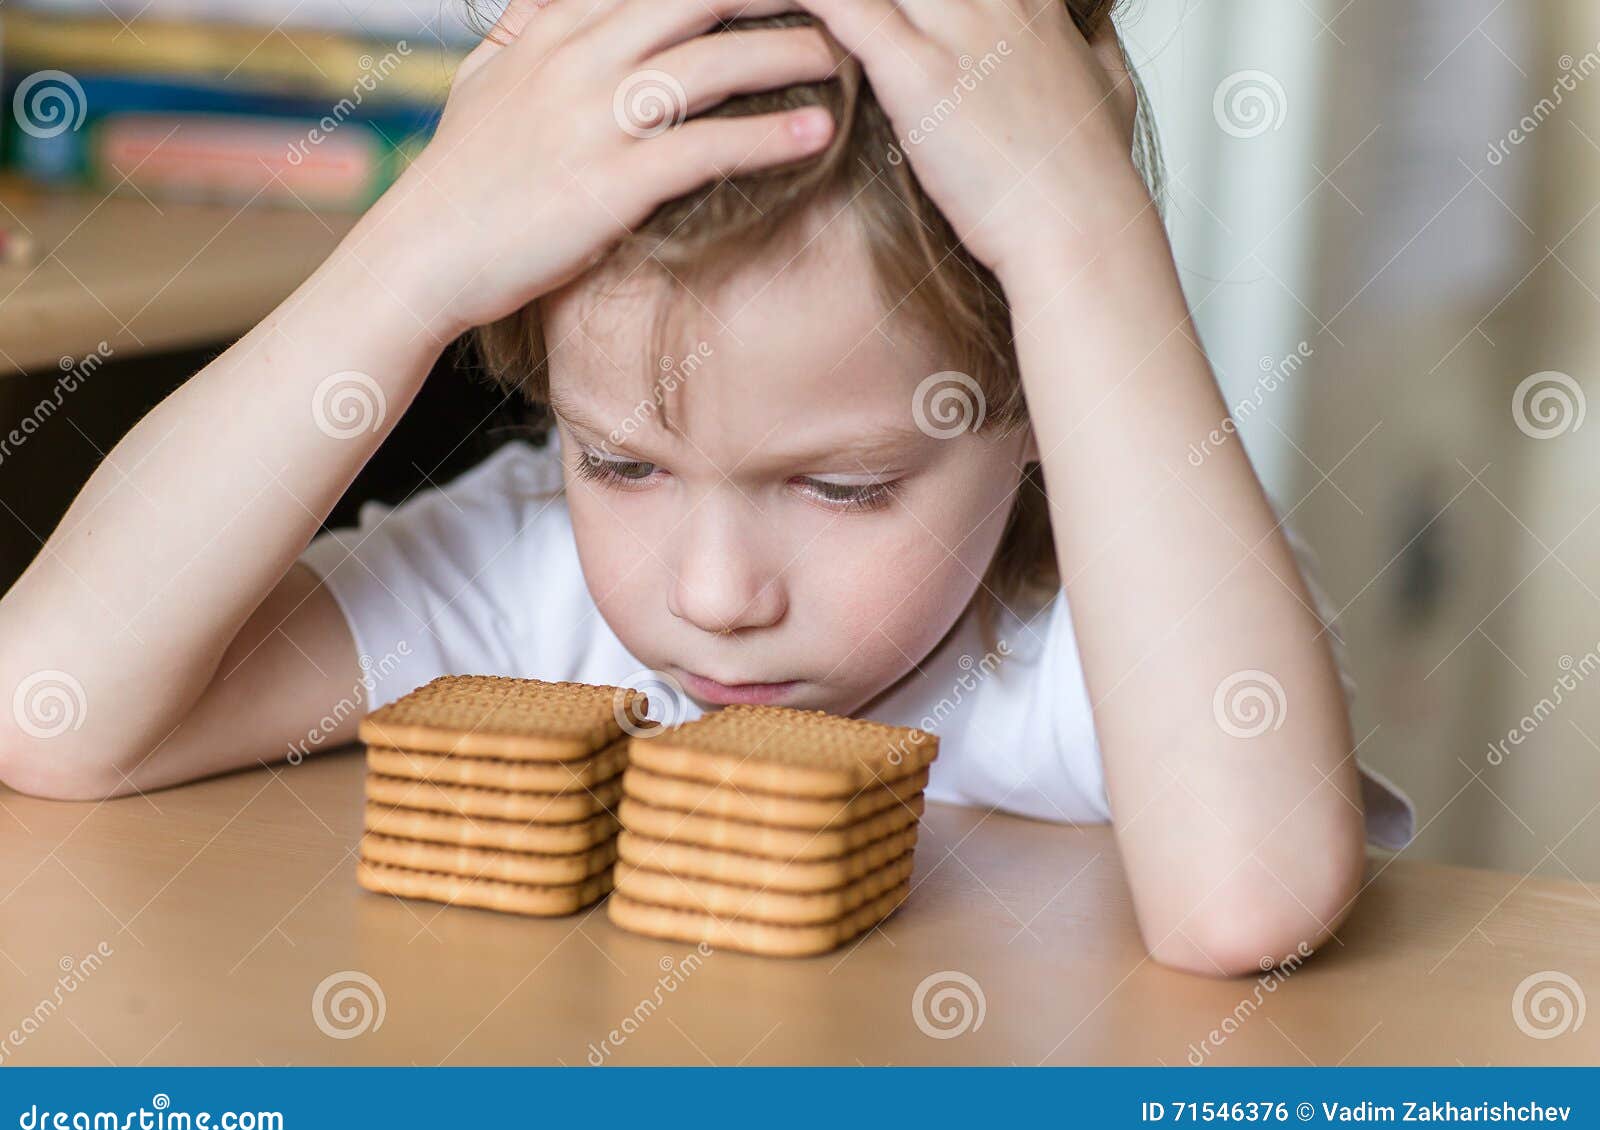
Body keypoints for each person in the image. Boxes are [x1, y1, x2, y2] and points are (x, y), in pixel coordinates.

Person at [0, 0, 1412, 975]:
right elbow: (52, 709)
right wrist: (414, 250)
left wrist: (1077, 230)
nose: (711, 595)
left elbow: (1247, 899)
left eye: (847, 486)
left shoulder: (1126, 620)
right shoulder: (530, 586)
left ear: (1050, 391)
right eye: (619, 461)